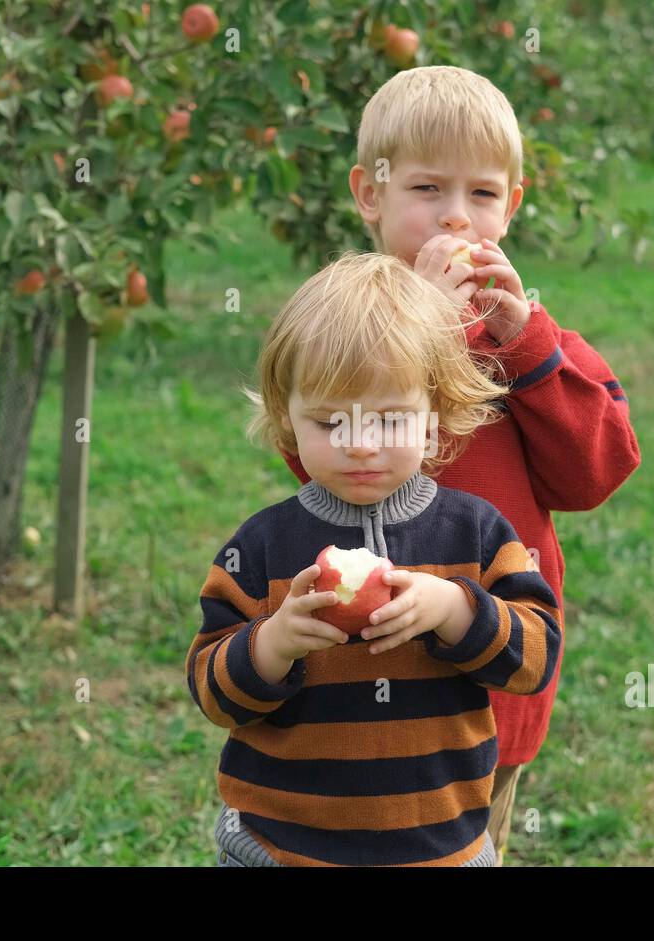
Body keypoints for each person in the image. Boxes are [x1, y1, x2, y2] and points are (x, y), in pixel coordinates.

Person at [280, 65, 641, 864]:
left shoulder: (533, 348)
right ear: (369, 195)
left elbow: (595, 475)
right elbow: (316, 458)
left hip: (489, 671)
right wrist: (423, 338)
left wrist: (531, 348)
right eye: (426, 189)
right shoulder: (343, 337)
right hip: (366, 675)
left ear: (511, 207)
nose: (454, 216)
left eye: (481, 195)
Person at [186, 252, 561, 866]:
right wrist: (274, 644)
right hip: (283, 849)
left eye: (390, 420)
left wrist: (456, 611)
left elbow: (535, 660)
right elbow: (212, 692)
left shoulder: (475, 534)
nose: (361, 446)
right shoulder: (260, 547)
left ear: (434, 418)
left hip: (438, 848)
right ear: (287, 418)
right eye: (331, 421)